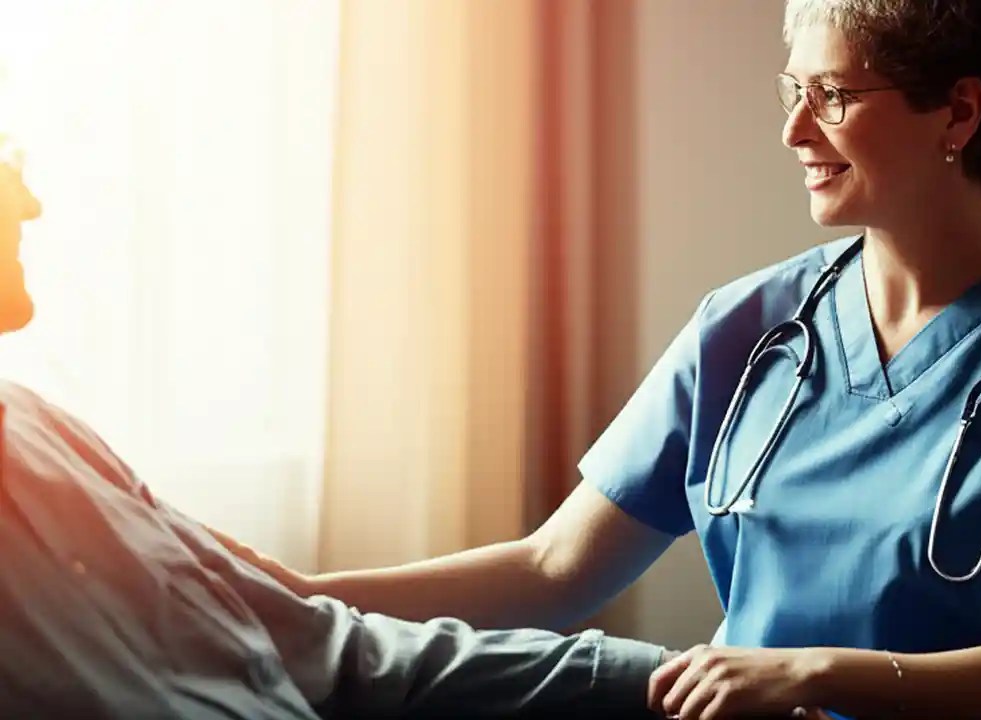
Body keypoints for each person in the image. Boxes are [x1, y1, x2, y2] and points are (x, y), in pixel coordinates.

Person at [217, 2, 981, 718]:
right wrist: (301, 598)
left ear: (957, 113)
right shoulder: (748, 326)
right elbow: (554, 570)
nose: (795, 131)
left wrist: (802, 669)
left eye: (832, 96)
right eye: (792, 91)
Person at [0, 141, 684, 718]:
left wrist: (672, 682)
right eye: (7, 163)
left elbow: (323, 644)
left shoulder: (49, 433)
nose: (32, 204)